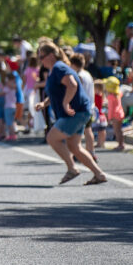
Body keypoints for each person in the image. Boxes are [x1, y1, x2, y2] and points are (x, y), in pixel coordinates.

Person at [34, 42, 107, 185]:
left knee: (52, 137)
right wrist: (44, 103)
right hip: (79, 112)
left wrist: (66, 103)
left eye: (42, 57)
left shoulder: (58, 67)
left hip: (75, 112)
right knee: (74, 146)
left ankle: (72, 168)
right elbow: (58, 91)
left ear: (51, 56)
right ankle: (99, 174)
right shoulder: (56, 69)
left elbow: (72, 85)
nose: (40, 61)